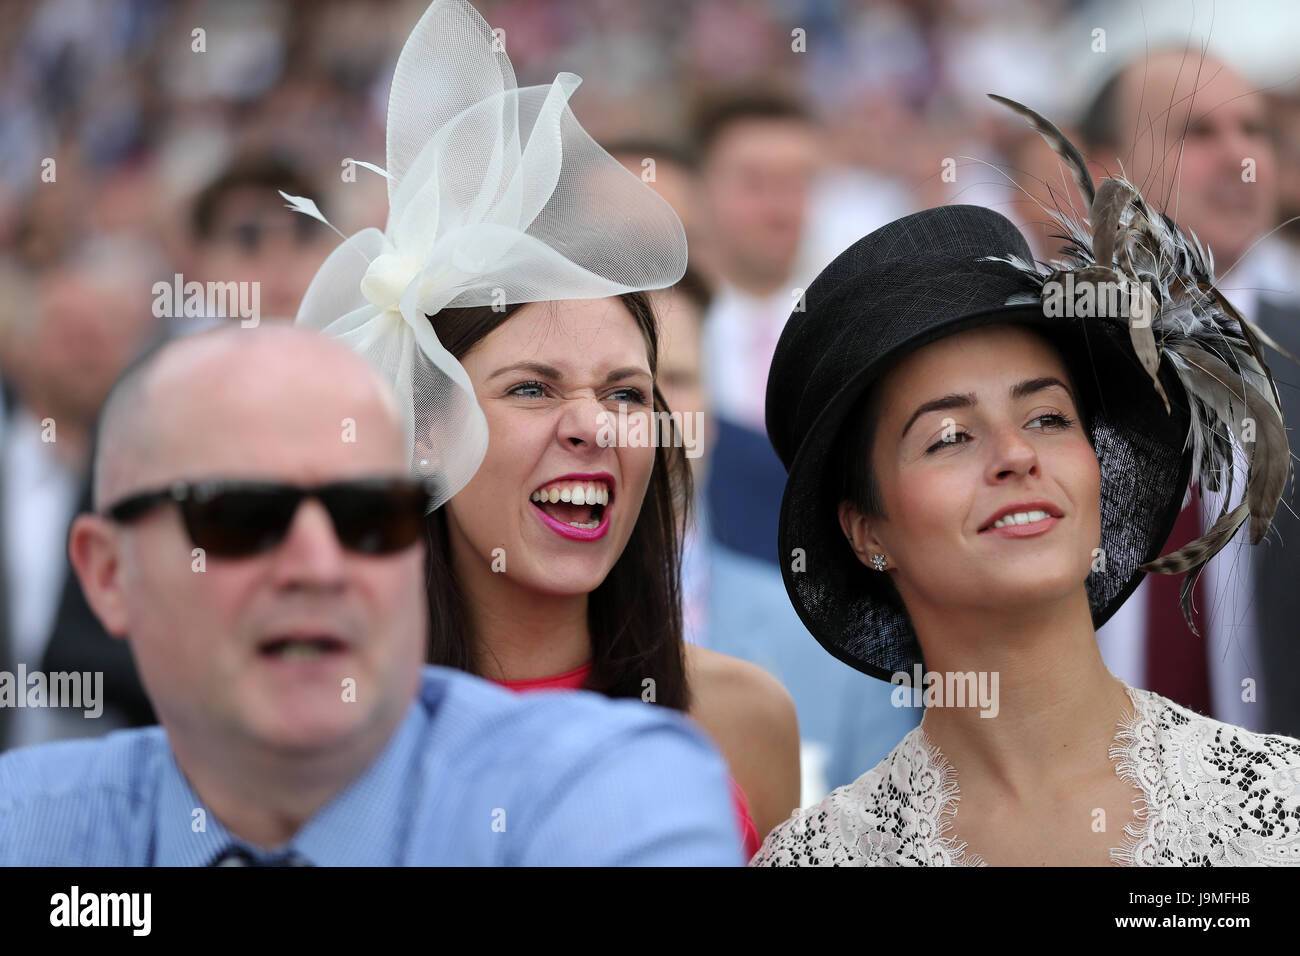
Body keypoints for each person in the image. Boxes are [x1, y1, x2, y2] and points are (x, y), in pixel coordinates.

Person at [287, 0, 799, 858]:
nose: (593, 427)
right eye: (531, 389)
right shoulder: (321, 724)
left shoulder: (745, 716)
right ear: (425, 429)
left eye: (627, 394)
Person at [752, 98, 1300, 866]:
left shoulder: (1277, 808)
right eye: (949, 437)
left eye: (1047, 418)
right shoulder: (821, 857)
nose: (1015, 454)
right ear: (866, 530)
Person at [0, 324, 744, 866]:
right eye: (242, 517)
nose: (319, 566)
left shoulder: (608, 797)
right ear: (107, 574)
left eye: (369, 516)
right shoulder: (29, 824)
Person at [1080, 48, 1300, 738]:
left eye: (1254, 131)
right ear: (1102, 170)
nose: (1238, 158)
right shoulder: (1039, 360)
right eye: (1197, 133)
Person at [652, 267, 919, 804]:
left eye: (676, 379)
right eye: (621, 386)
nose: (651, 413)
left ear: (714, 408)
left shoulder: (843, 652)